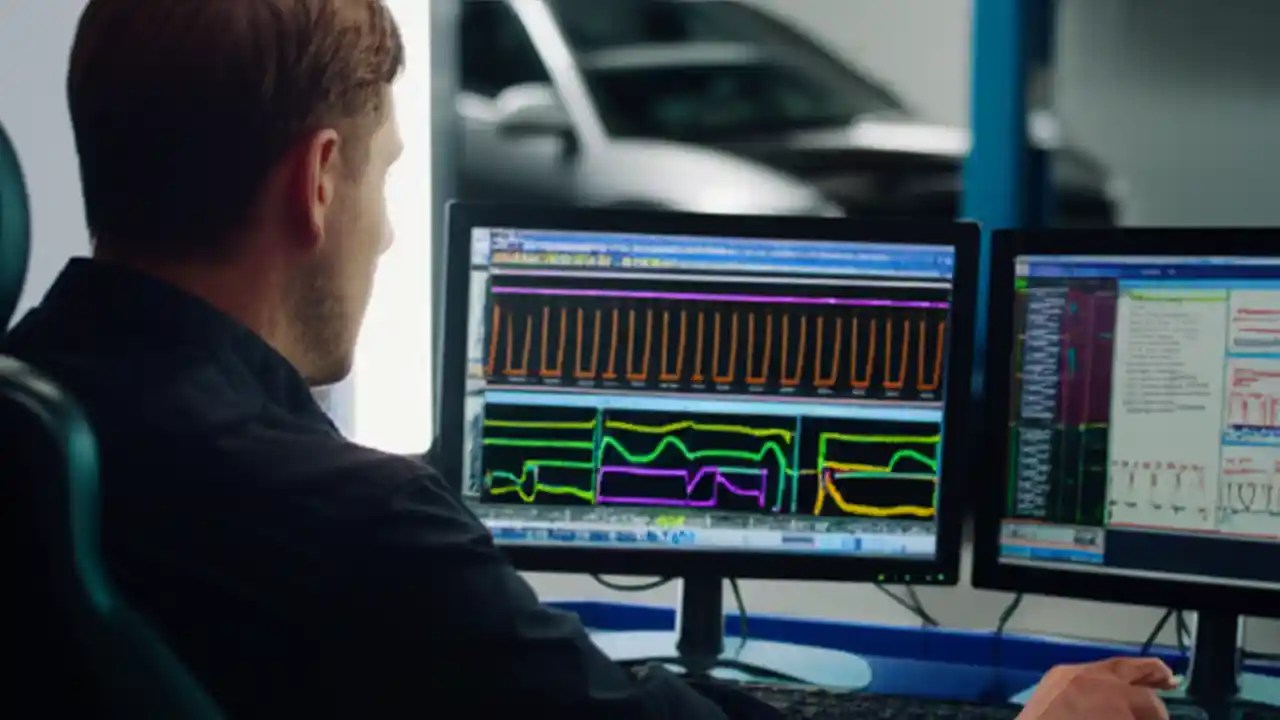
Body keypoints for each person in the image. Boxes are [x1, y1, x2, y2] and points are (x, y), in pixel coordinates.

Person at [4, 0, 1176, 717]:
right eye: (383, 174)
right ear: (318, 182)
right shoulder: (350, 524)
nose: (387, 230)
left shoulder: (30, 432)